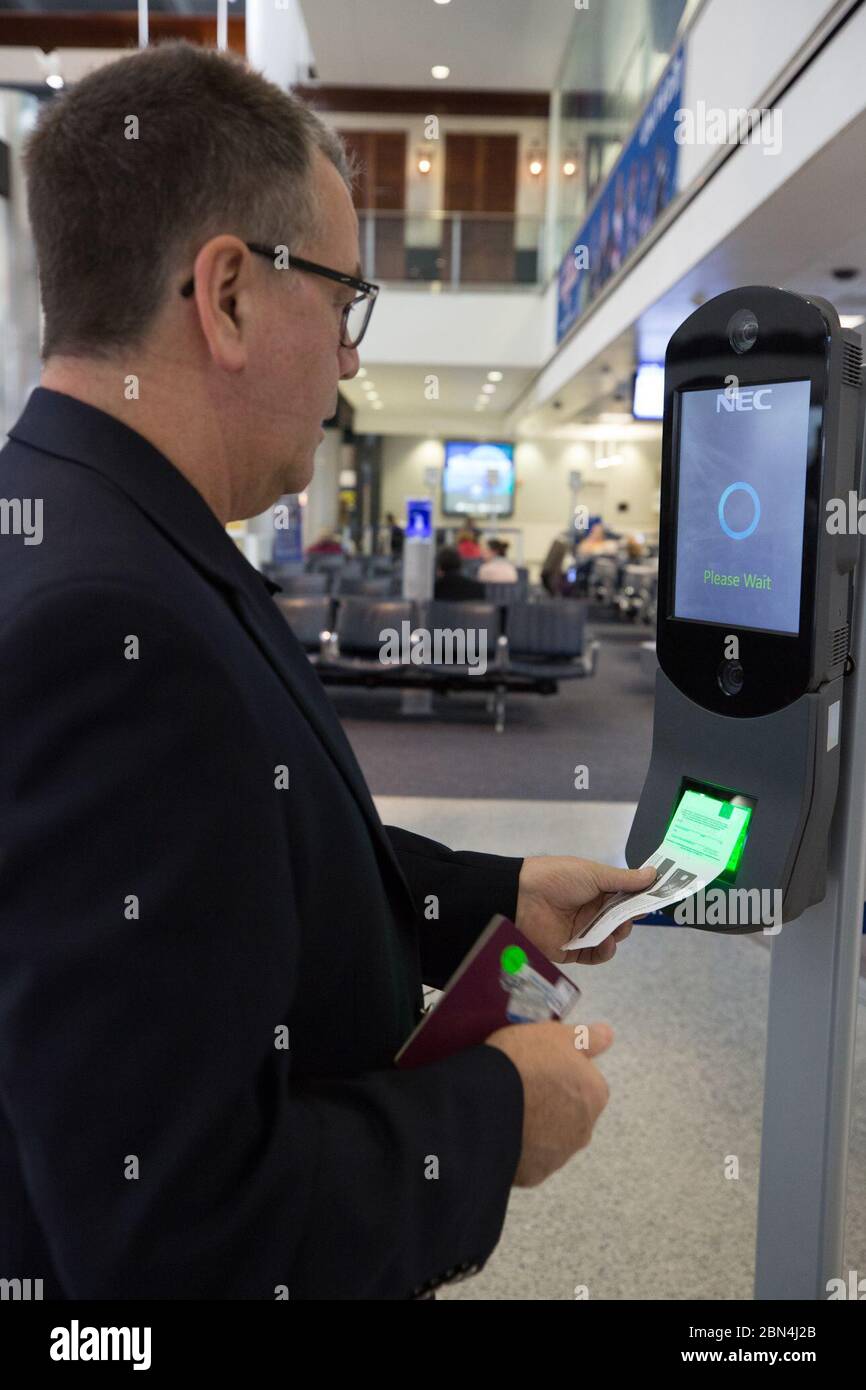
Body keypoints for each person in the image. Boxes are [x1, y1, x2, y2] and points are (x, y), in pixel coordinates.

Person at [0, 42, 654, 1302]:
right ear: (230, 295)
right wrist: (489, 1117)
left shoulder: (95, 526)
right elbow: (179, 1238)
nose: (350, 363)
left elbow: (234, 840)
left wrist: (489, 895)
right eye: (344, 299)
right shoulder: (104, 624)